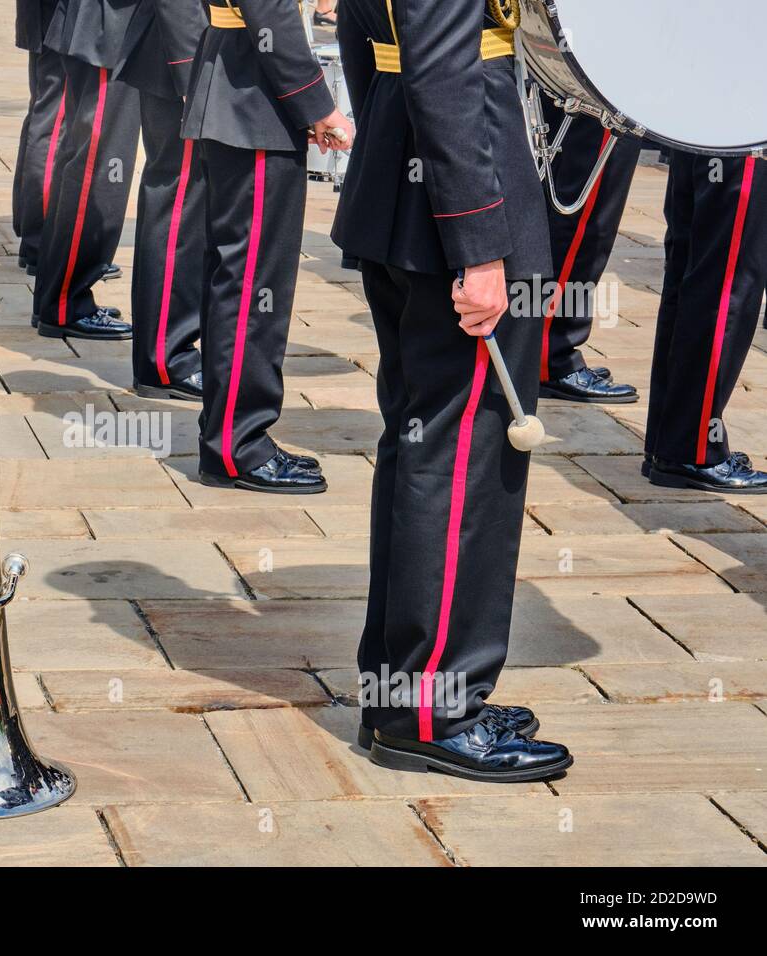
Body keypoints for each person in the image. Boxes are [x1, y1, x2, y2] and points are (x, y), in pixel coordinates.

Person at [333, 0, 572, 781]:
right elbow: (443, 59)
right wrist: (479, 245)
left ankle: (401, 695)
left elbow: (370, 44)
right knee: (461, 460)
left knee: (421, 446)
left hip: (413, 183)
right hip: (459, 209)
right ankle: (437, 707)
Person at [182, 0, 353, 493]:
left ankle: (228, 436)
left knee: (237, 277)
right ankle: (239, 447)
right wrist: (317, 104)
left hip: (241, 76)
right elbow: (269, 10)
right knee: (252, 282)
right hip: (254, 89)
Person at [644, 153, 767, 492]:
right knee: (728, 280)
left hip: (707, 127)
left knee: (692, 271)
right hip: (745, 125)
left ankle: (669, 442)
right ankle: (693, 449)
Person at [33, 0, 143, 339]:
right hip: (107, 27)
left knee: (84, 165)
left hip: (101, 26)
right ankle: (65, 304)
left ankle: (56, 298)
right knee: (94, 171)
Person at [121, 0, 209, 399]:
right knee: (179, 210)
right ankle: (166, 359)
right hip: (184, 61)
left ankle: (167, 352)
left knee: (184, 207)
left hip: (193, 57)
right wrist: (194, 76)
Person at [538, 94, 642, 403]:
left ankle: (548, 349)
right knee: (584, 222)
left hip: (597, 81)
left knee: (580, 214)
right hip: (602, 85)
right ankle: (550, 355)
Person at [11, 0, 67, 276]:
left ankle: (33, 235)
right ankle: (41, 241)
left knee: (44, 115)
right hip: (57, 15)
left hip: (48, 15)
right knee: (53, 122)